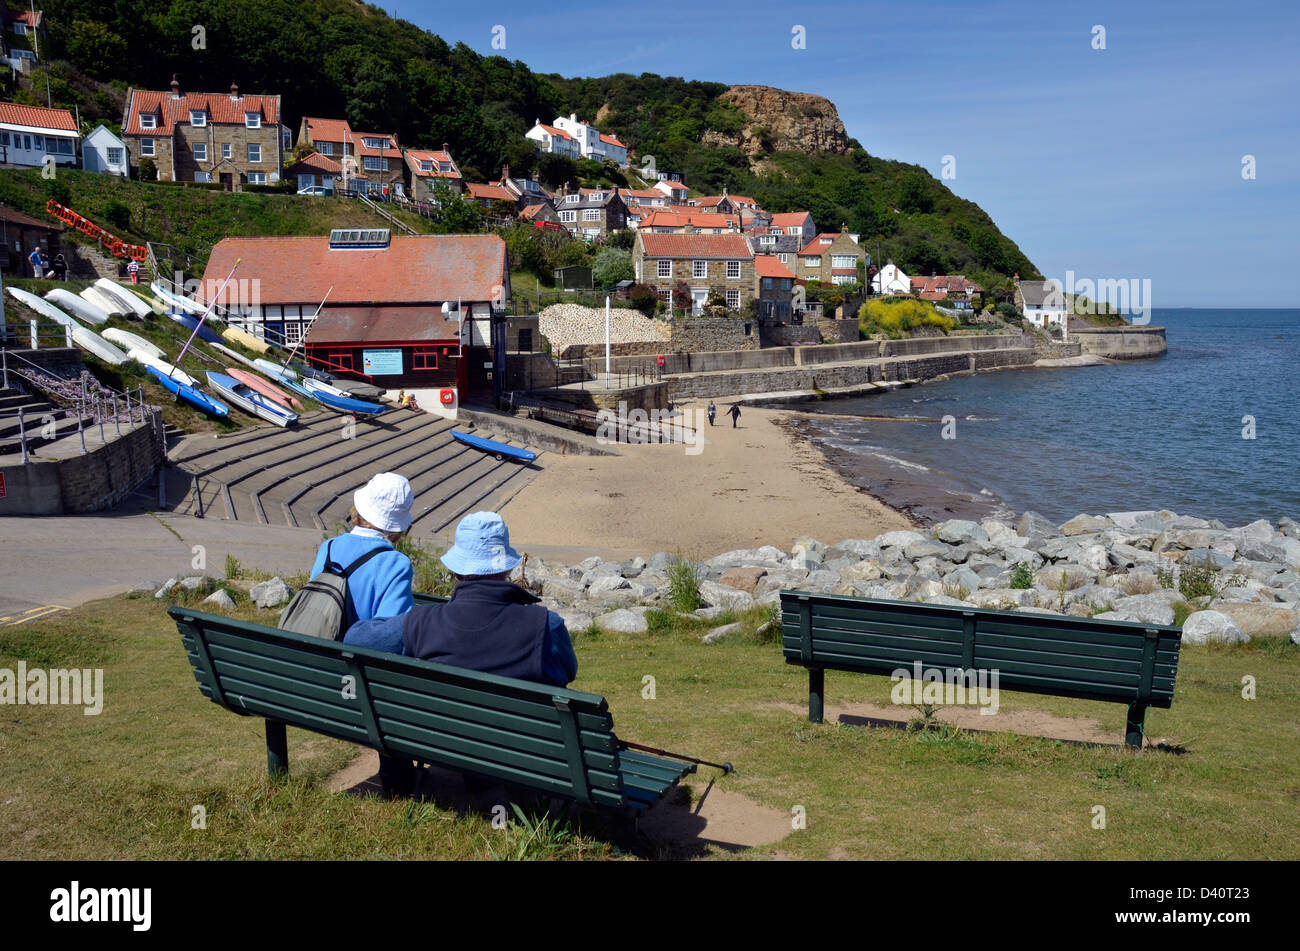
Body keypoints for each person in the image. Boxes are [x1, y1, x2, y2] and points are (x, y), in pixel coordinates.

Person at [345, 510, 578, 797]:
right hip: (519, 750)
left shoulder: (421, 623)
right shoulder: (546, 626)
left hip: (443, 742)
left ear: (457, 570)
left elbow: (357, 638)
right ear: (506, 568)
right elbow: (566, 672)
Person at [309, 472, 415, 626]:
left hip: (311, 643)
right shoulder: (397, 565)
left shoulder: (329, 547)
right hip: (352, 649)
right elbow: (391, 633)